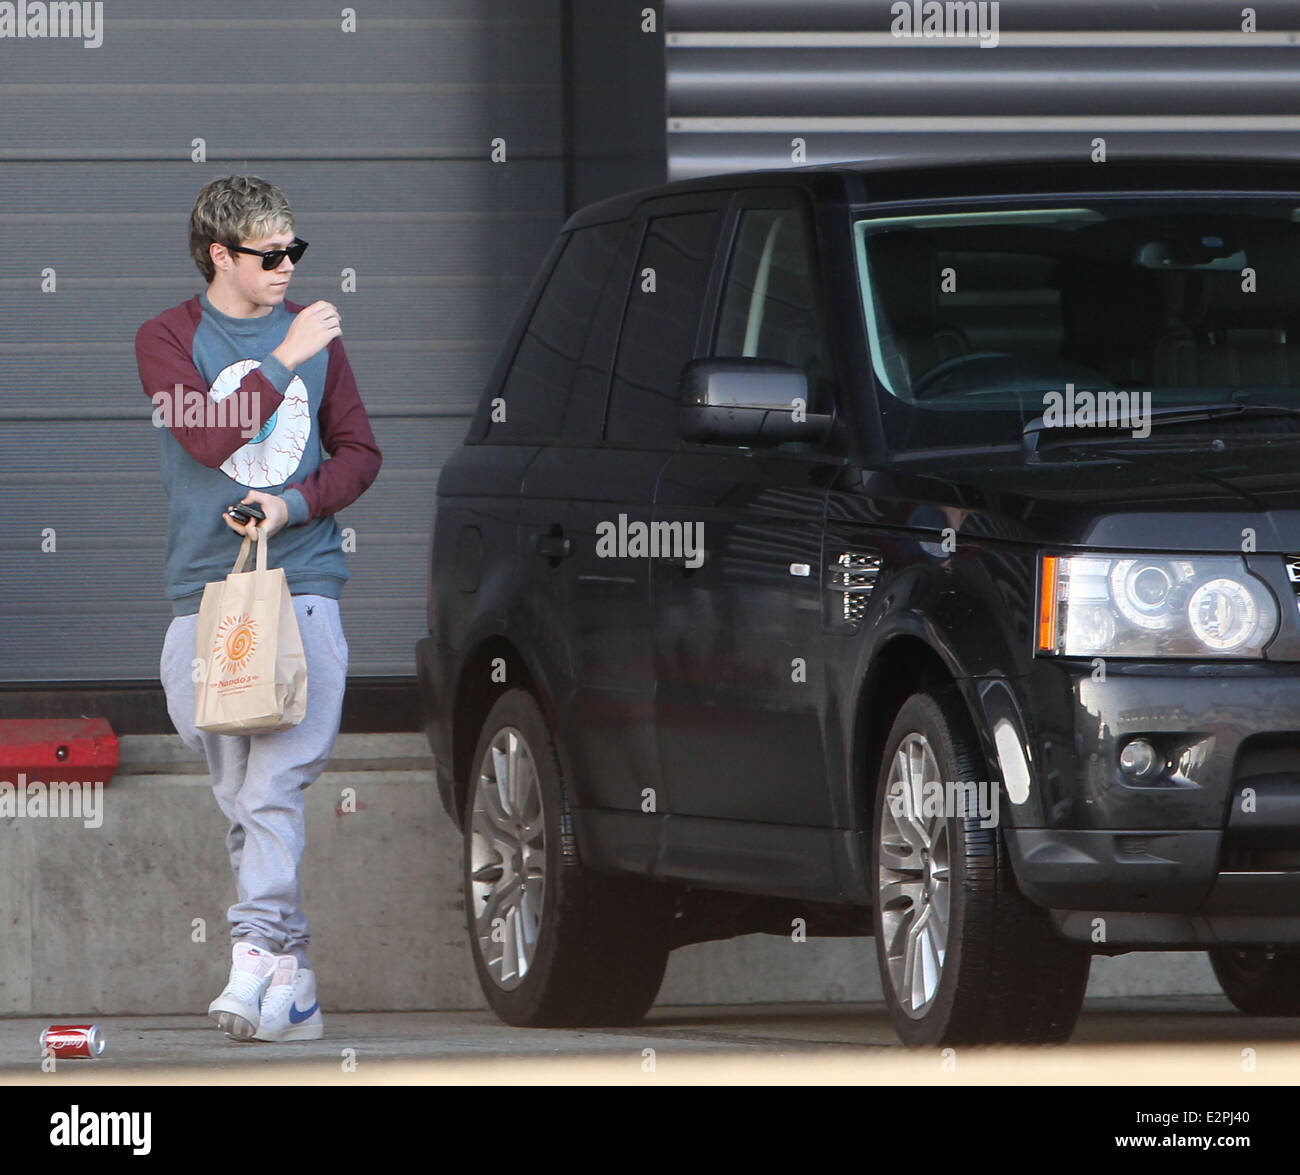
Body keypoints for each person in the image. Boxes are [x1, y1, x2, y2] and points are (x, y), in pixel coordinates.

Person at [134, 174, 382, 1042]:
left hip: (302, 582)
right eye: (268, 254)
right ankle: (294, 979)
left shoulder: (320, 333)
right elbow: (205, 433)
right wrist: (282, 361)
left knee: (274, 780)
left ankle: (250, 952)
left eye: (293, 251)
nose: (286, 267)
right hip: (201, 593)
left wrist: (294, 505)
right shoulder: (166, 338)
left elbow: (361, 451)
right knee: (239, 787)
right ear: (220, 255)